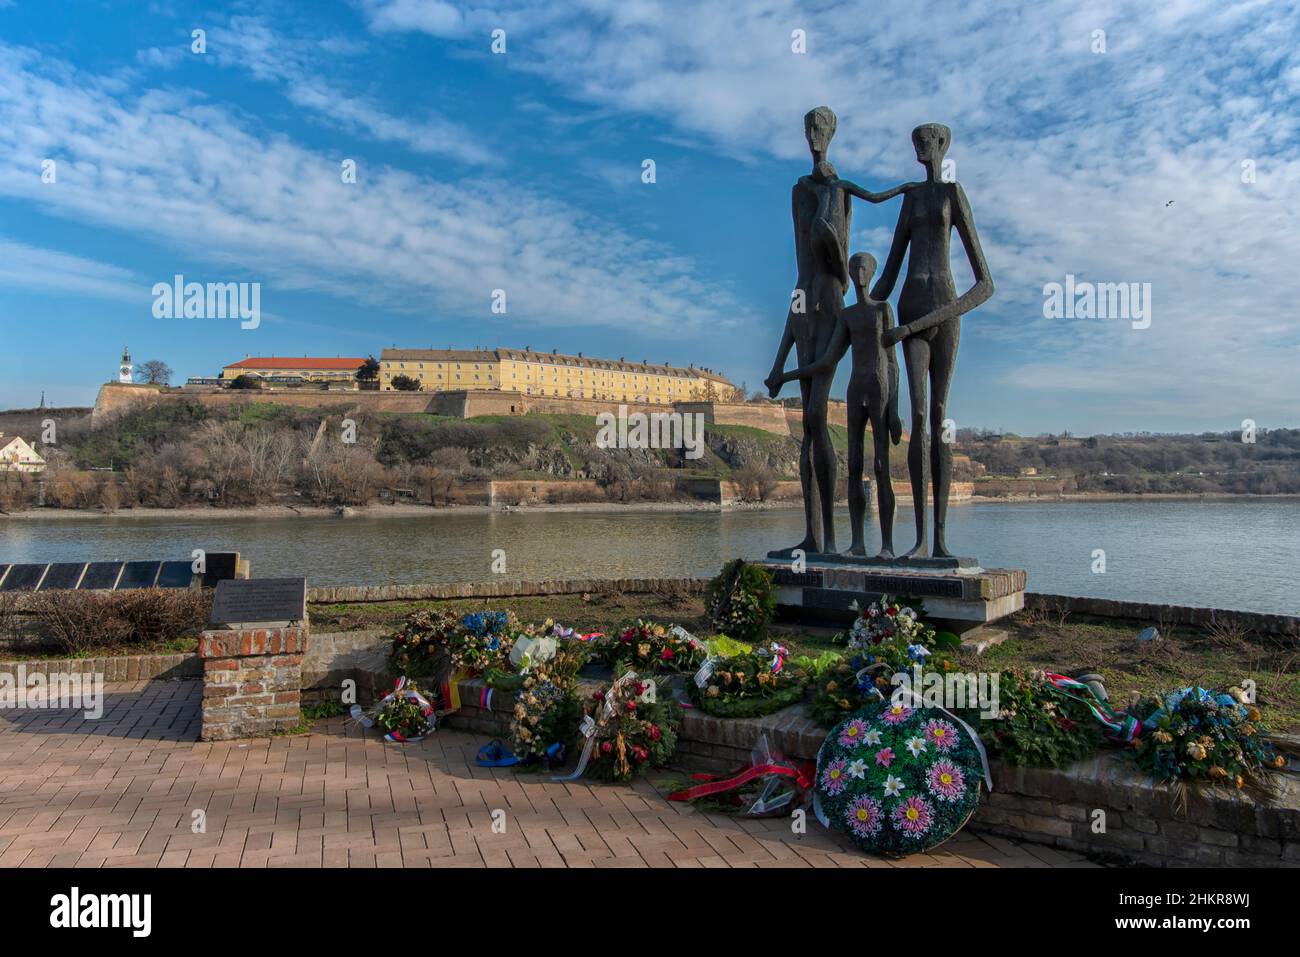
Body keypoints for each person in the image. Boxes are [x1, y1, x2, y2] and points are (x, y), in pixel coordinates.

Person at [765, 106, 916, 555]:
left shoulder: (838, 189)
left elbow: (837, 237)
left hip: (829, 296)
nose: (815, 134)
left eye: (822, 128)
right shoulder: (798, 190)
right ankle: (815, 535)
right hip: (802, 294)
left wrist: (835, 192)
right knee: (807, 430)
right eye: (809, 127)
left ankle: (831, 539)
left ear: (831, 133)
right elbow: (800, 268)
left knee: (814, 417)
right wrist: (777, 365)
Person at [871, 123, 993, 559]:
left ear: (943, 146)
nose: (920, 147)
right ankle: (921, 539)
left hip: (943, 308)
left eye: (928, 140)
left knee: (940, 415)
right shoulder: (910, 199)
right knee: (919, 415)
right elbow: (887, 274)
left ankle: (940, 539)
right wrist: (853, 307)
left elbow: (984, 285)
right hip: (910, 306)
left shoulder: (951, 195)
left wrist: (941, 314)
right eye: (915, 141)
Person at [770, 252, 902, 557]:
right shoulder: (847, 316)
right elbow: (827, 361)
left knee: (881, 465)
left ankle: (887, 546)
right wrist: (783, 375)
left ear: (873, 272)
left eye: (864, 268)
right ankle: (857, 543)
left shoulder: (883, 309)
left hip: (880, 388)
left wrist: (894, 408)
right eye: (854, 267)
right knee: (854, 465)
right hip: (857, 389)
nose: (859, 273)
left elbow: (893, 363)